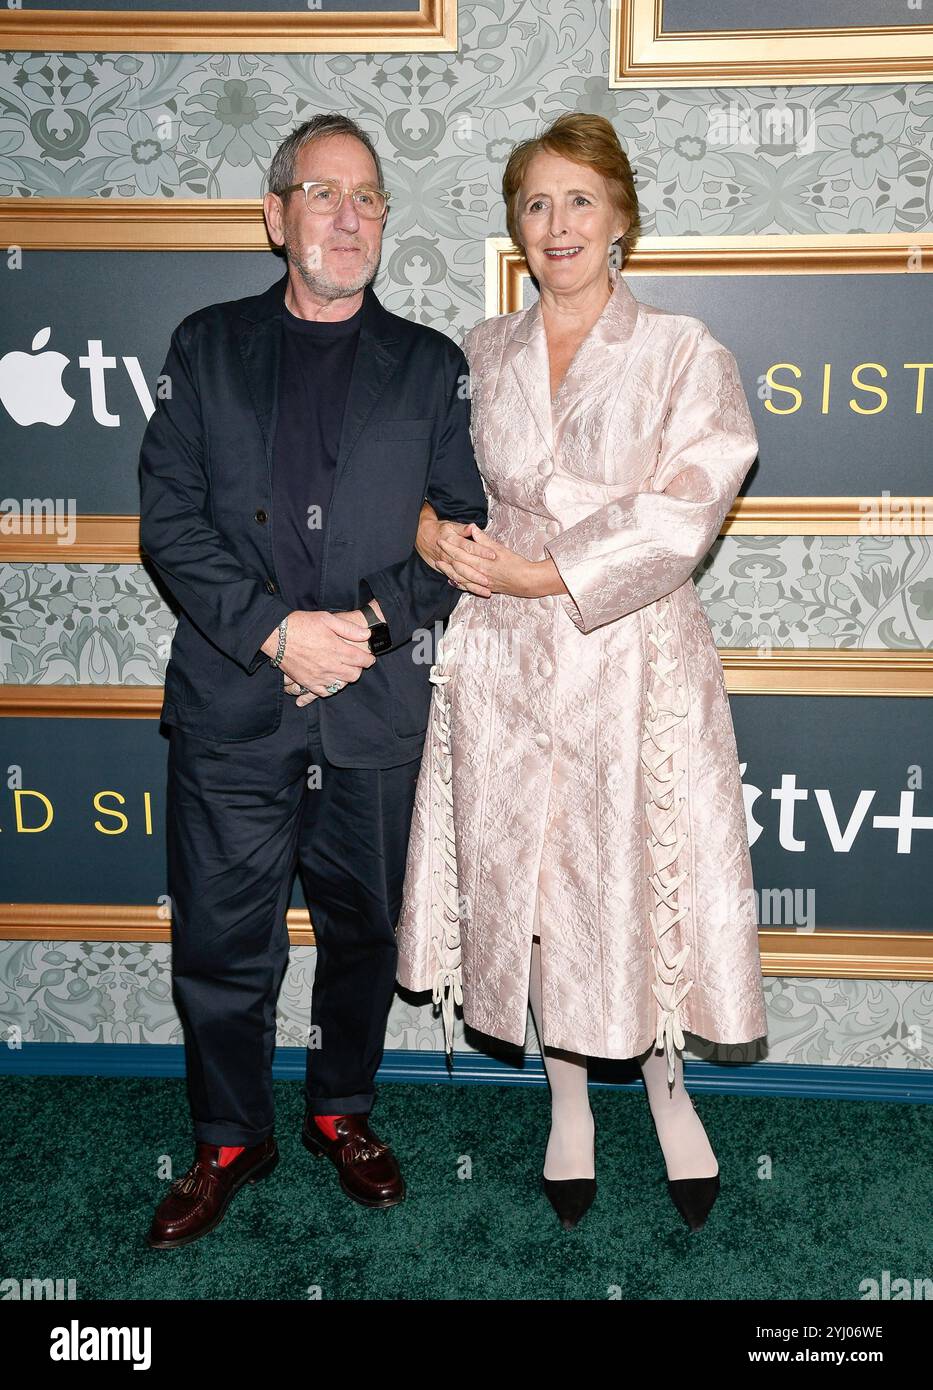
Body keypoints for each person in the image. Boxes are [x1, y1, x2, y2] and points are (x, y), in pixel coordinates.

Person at [396, 113, 768, 1232]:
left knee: (636, 873)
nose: (556, 225)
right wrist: (424, 531)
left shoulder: (683, 351)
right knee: (539, 881)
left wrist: (542, 574)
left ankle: (666, 1090)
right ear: (516, 225)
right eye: (535, 203)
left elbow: (689, 507)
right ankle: (566, 1101)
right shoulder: (478, 351)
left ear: (622, 220)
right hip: (504, 657)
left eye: (579, 202)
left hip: (631, 648)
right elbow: (412, 474)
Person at [138, 113, 488, 1249]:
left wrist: (370, 628)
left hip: (378, 713)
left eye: (369, 197)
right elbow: (170, 525)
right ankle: (230, 1135)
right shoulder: (204, 346)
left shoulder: (434, 367)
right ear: (277, 215)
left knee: (364, 936)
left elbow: (465, 530)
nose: (348, 216)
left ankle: (344, 1111)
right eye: (323, 193)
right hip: (234, 708)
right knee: (224, 939)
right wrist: (281, 633)